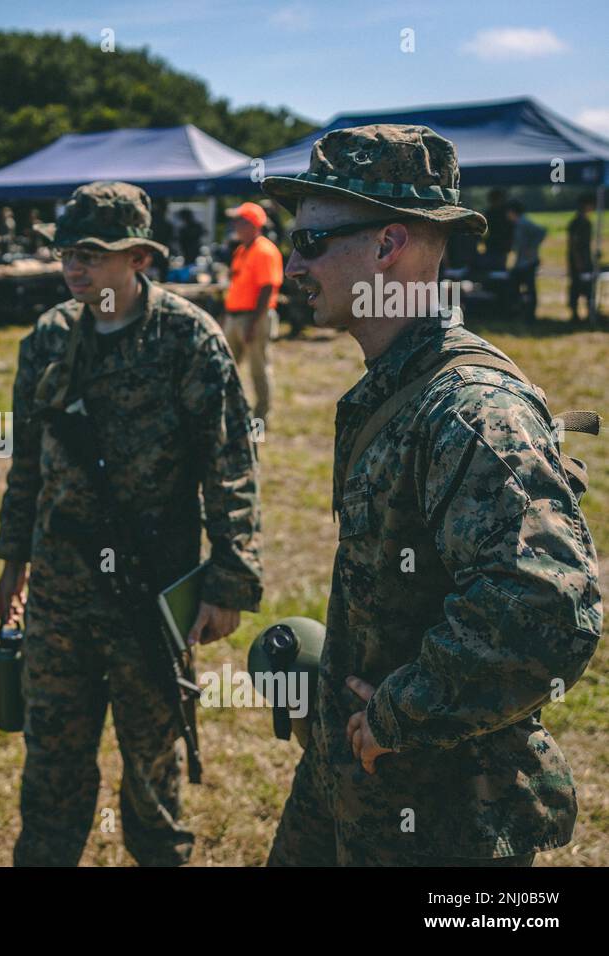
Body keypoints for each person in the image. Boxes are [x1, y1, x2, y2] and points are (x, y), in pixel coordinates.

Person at [262, 125, 601, 867]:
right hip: (354, 785)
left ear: (387, 246)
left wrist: (399, 712)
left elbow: (546, 607)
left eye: (313, 241)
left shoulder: (470, 409)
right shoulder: (398, 386)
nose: (292, 264)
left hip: (442, 815)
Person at [0, 181, 264, 866]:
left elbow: (229, 463)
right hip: (58, 594)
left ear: (138, 256)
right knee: (51, 761)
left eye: (92, 253)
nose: (74, 268)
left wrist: (229, 580)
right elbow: (27, 461)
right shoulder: (49, 339)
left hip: (148, 594)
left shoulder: (186, 338)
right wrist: (12, 560)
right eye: (67, 254)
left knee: (151, 769)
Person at [221, 201, 283, 426]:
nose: (235, 225)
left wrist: (253, 323)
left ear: (251, 224)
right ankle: (230, 410)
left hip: (253, 316)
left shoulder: (264, 250)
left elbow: (268, 288)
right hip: (235, 315)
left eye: (239, 221)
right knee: (227, 366)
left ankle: (261, 416)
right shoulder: (241, 249)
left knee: (259, 369)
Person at [506, 200, 546, 323]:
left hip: (528, 262)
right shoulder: (519, 223)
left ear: (513, 212)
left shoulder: (524, 222)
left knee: (529, 290)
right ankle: (522, 313)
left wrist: (532, 247)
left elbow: (541, 232)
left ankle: (529, 315)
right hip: (521, 262)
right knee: (520, 288)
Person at [567, 194, 596, 322]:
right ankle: (575, 314)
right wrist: (578, 261)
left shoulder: (584, 221)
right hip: (579, 261)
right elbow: (574, 244)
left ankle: (587, 313)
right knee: (577, 287)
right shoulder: (578, 222)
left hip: (584, 260)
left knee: (586, 287)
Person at [481, 187, 513, 271]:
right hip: (499, 244)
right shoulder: (505, 212)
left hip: (495, 243)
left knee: (494, 266)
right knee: (499, 267)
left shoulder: (490, 212)